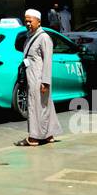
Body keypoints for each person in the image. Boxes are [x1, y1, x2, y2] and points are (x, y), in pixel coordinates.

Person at [16, 9, 62, 147]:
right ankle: (49, 135)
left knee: (35, 107)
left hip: (39, 79)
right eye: (26, 21)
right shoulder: (30, 35)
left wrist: (45, 82)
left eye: (30, 21)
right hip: (33, 77)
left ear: (39, 21)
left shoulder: (44, 38)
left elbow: (47, 61)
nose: (28, 23)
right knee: (44, 106)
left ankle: (34, 138)